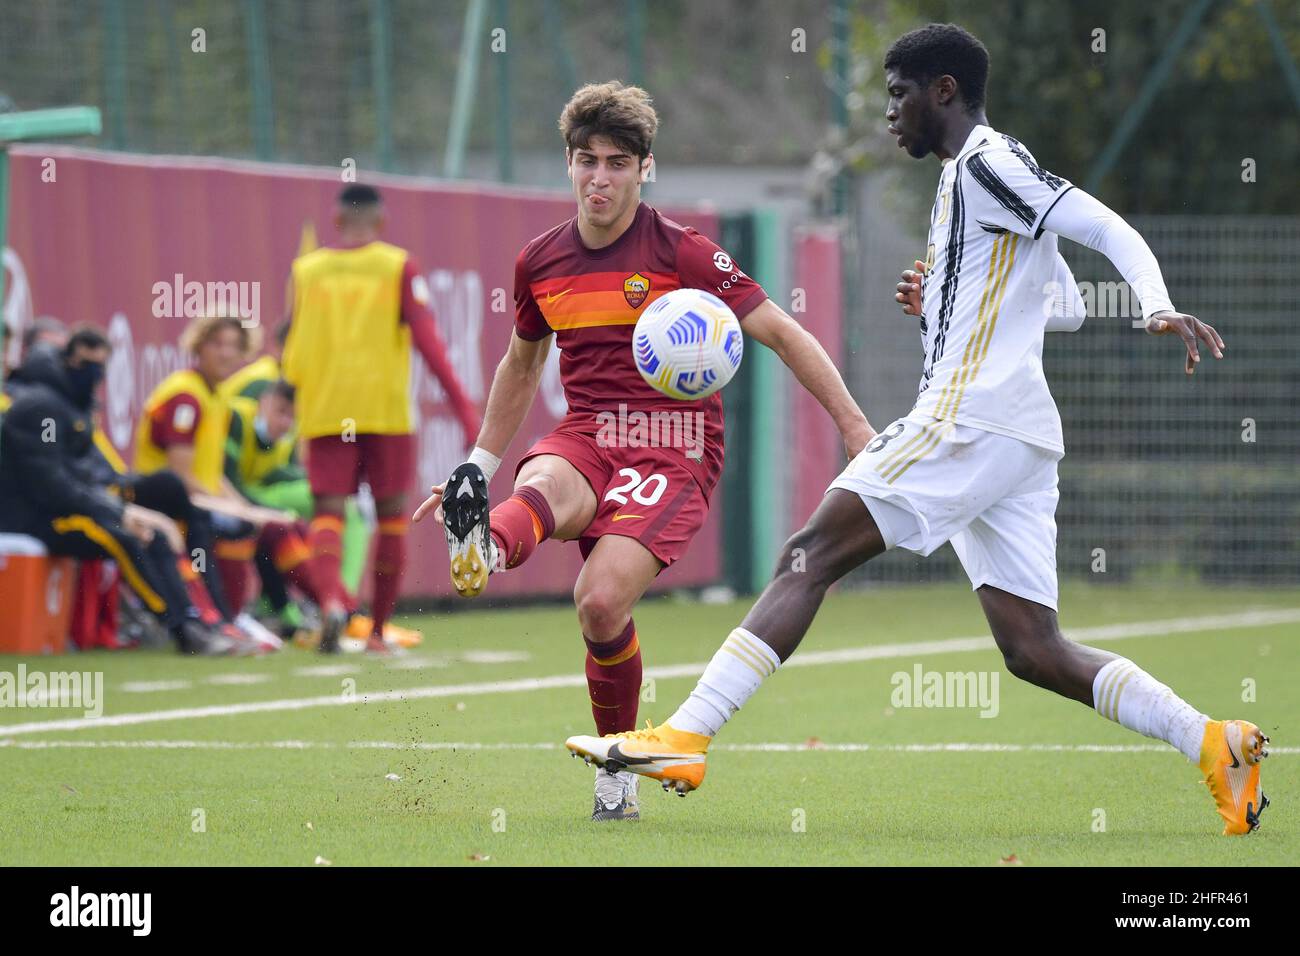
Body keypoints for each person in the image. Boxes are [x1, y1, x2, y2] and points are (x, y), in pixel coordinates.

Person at [564, 25, 1266, 838]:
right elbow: (1062, 307)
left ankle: (685, 736)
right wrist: (940, 302)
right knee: (1033, 647)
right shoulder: (968, 184)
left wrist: (1152, 304)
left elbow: (1108, 228)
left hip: (968, 418)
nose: (890, 113)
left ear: (943, 91)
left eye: (898, 94)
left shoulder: (990, 163)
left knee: (807, 554)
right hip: (1018, 432)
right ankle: (1215, 742)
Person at [416, 82, 873, 821]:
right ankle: (485, 542)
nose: (600, 178)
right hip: (590, 428)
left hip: (674, 444)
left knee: (599, 603)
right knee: (542, 482)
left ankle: (618, 767)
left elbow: (783, 333)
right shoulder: (540, 261)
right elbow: (521, 366)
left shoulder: (684, 253)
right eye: (586, 161)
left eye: (617, 163)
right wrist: (476, 463)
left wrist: (855, 428)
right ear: (568, 165)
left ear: (644, 169)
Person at [283, 183, 480, 653]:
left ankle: (332, 601)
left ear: (335, 221)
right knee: (392, 516)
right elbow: (429, 345)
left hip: (327, 409)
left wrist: (294, 402)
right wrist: (466, 410)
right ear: (381, 221)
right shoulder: (396, 265)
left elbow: (293, 350)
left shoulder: (307, 270)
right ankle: (375, 632)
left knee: (327, 514)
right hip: (385, 411)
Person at [0, 326, 232, 654]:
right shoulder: (42, 410)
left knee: (154, 528)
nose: (94, 375)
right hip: (32, 516)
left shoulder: (71, 405)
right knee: (121, 535)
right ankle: (181, 627)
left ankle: (201, 617)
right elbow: (53, 487)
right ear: (68, 361)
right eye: (87, 365)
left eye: (100, 367)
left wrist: (126, 505)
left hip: (69, 506)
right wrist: (120, 511)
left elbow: (87, 475)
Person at [134, 312, 290, 651]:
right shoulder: (185, 396)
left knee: (270, 524)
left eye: (234, 346)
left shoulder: (216, 395)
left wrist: (245, 507)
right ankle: (217, 618)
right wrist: (239, 511)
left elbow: (210, 473)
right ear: (199, 345)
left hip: (193, 498)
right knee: (221, 523)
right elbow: (181, 477)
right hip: (160, 501)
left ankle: (304, 615)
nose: (226, 353)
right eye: (217, 344)